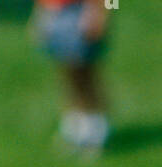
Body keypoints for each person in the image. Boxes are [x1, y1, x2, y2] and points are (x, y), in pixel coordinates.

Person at [32, 0, 112, 153]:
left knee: (82, 73)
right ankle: (76, 126)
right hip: (54, 11)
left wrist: (98, 13)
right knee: (66, 73)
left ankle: (95, 129)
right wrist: (40, 14)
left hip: (80, 11)